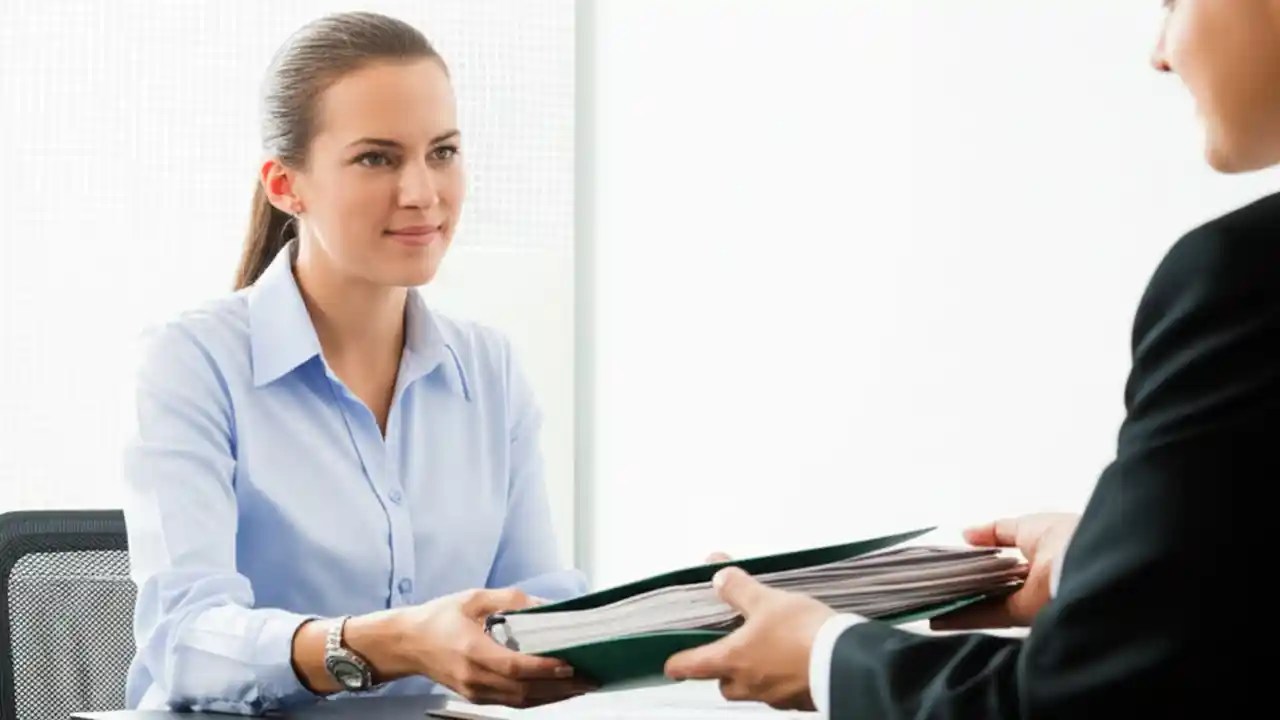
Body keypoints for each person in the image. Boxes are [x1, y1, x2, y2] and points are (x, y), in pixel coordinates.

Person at [665, 1, 1278, 716]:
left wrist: (827, 658)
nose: (1160, 53)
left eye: (1174, 2)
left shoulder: (1245, 278)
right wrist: (1118, 561)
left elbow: (1086, 703)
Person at [121, 11, 592, 715]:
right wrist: (394, 642)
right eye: (377, 157)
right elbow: (185, 640)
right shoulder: (194, 361)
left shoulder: (488, 369)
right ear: (286, 185)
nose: (422, 192)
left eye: (442, 152)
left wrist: (652, 621)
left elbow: (535, 602)